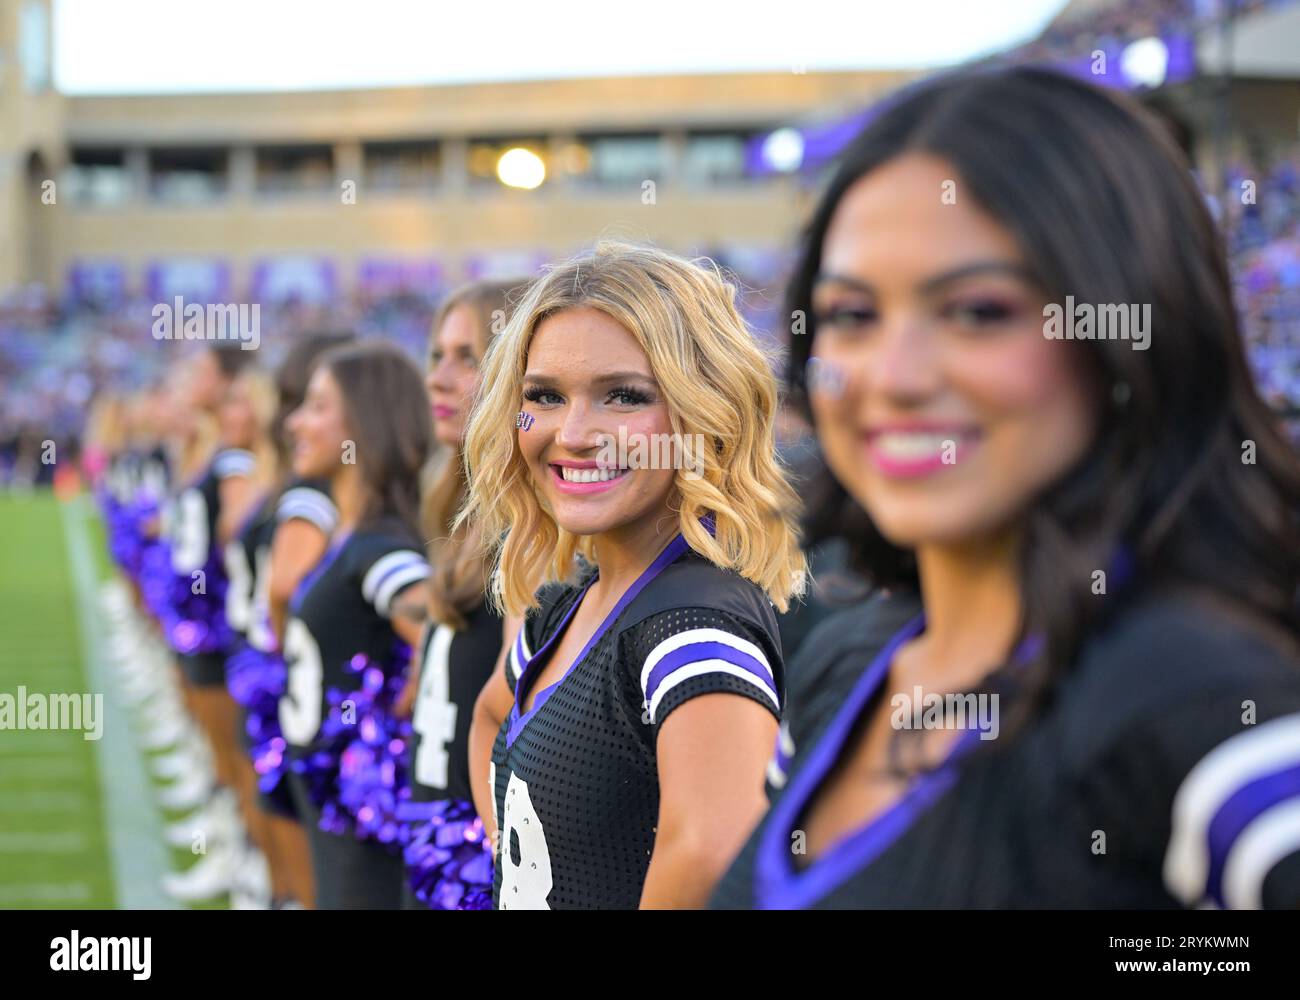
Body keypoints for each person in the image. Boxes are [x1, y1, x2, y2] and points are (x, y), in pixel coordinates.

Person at [711, 66, 1300, 909]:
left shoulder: (1196, 704)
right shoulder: (846, 666)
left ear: (1132, 325)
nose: (894, 378)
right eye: (851, 315)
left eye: (979, 311)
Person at [461, 242, 806, 909]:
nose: (576, 432)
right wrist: (519, 867)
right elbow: (486, 720)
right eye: (545, 396)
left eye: (623, 397)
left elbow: (711, 853)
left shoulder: (693, 624)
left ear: (704, 410)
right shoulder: (566, 607)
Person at [280, 341, 433, 909]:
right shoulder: (348, 533)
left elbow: (434, 626)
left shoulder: (378, 544)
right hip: (330, 791)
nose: (295, 421)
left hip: (361, 798)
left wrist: (419, 680)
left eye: (317, 407)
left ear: (364, 427)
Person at [401, 281, 526, 909]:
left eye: (467, 357)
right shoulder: (458, 515)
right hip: (430, 832)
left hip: (478, 856)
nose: (439, 379)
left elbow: (511, 714)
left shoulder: (529, 537)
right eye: (435, 356)